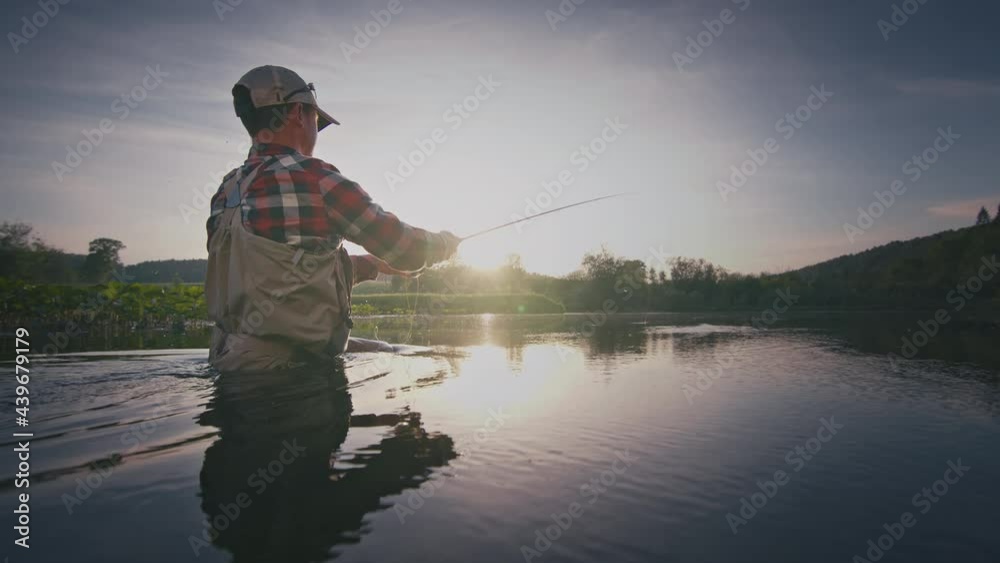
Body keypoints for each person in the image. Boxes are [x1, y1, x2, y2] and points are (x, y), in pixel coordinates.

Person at [205, 65, 460, 372]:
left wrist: (366, 265)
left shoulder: (226, 190)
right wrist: (445, 244)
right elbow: (406, 249)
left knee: (383, 348)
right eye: (316, 120)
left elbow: (273, 280)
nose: (316, 132)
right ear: (298, 113)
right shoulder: (315, 179)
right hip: (291, 378)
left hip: (225, 362)